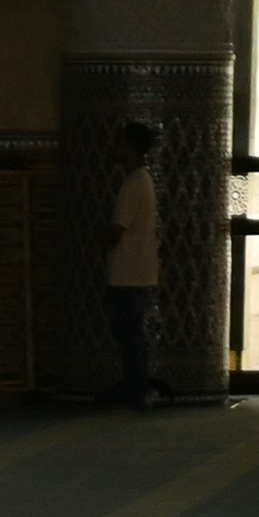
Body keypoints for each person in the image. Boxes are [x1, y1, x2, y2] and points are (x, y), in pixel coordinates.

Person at [102, 118, 170, 407]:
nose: (114, 147)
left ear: (130, 146)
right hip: (136, 270)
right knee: (131, 333)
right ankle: (136, 387)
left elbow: (118, 230)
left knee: (129, 334)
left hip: (128, 271)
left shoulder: (134, 183)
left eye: (119, 142)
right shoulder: (141, 180)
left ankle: (136, 389)